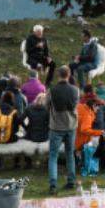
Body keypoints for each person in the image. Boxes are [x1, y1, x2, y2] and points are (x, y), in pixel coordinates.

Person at [46, 64, 80, 192]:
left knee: (53, 156)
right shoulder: (75, 90)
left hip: (56, 126)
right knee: (70, 154)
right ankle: (71, 181)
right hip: (71, 125)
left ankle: (53, 185)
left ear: (58, 75)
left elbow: (46, 106)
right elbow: (75, 105)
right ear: (69, 75)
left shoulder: (51, 90)